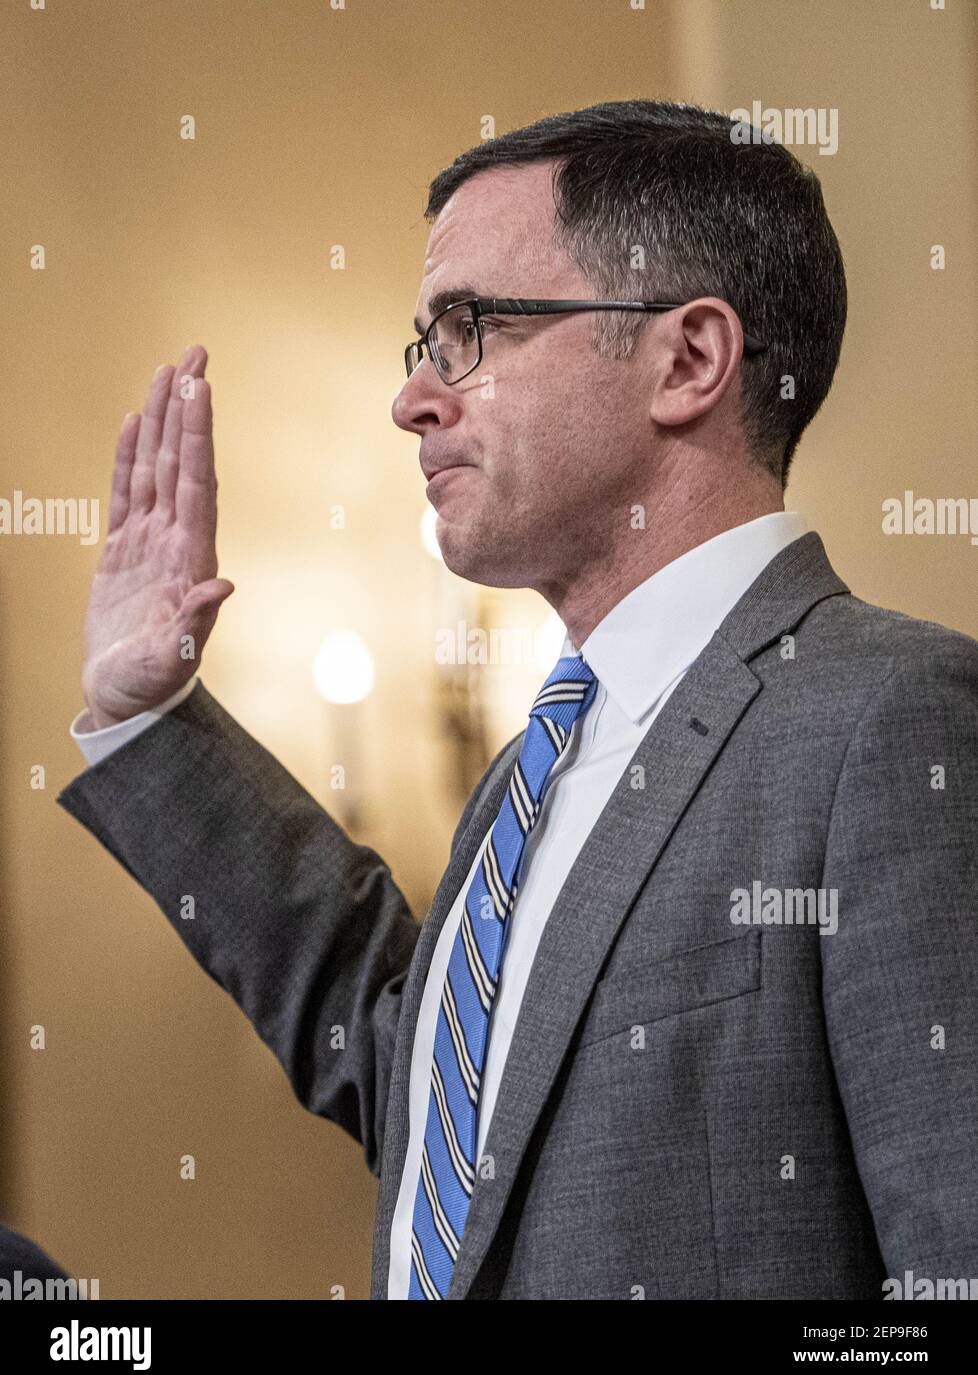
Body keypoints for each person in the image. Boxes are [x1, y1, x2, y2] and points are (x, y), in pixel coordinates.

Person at [58, 100, 978, 1300]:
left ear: (690, 359)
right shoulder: (535, 765)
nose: (415, 399)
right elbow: (438, 1100)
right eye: (425, 342)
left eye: (473, 328)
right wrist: (156, 717)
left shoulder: (889, 719)